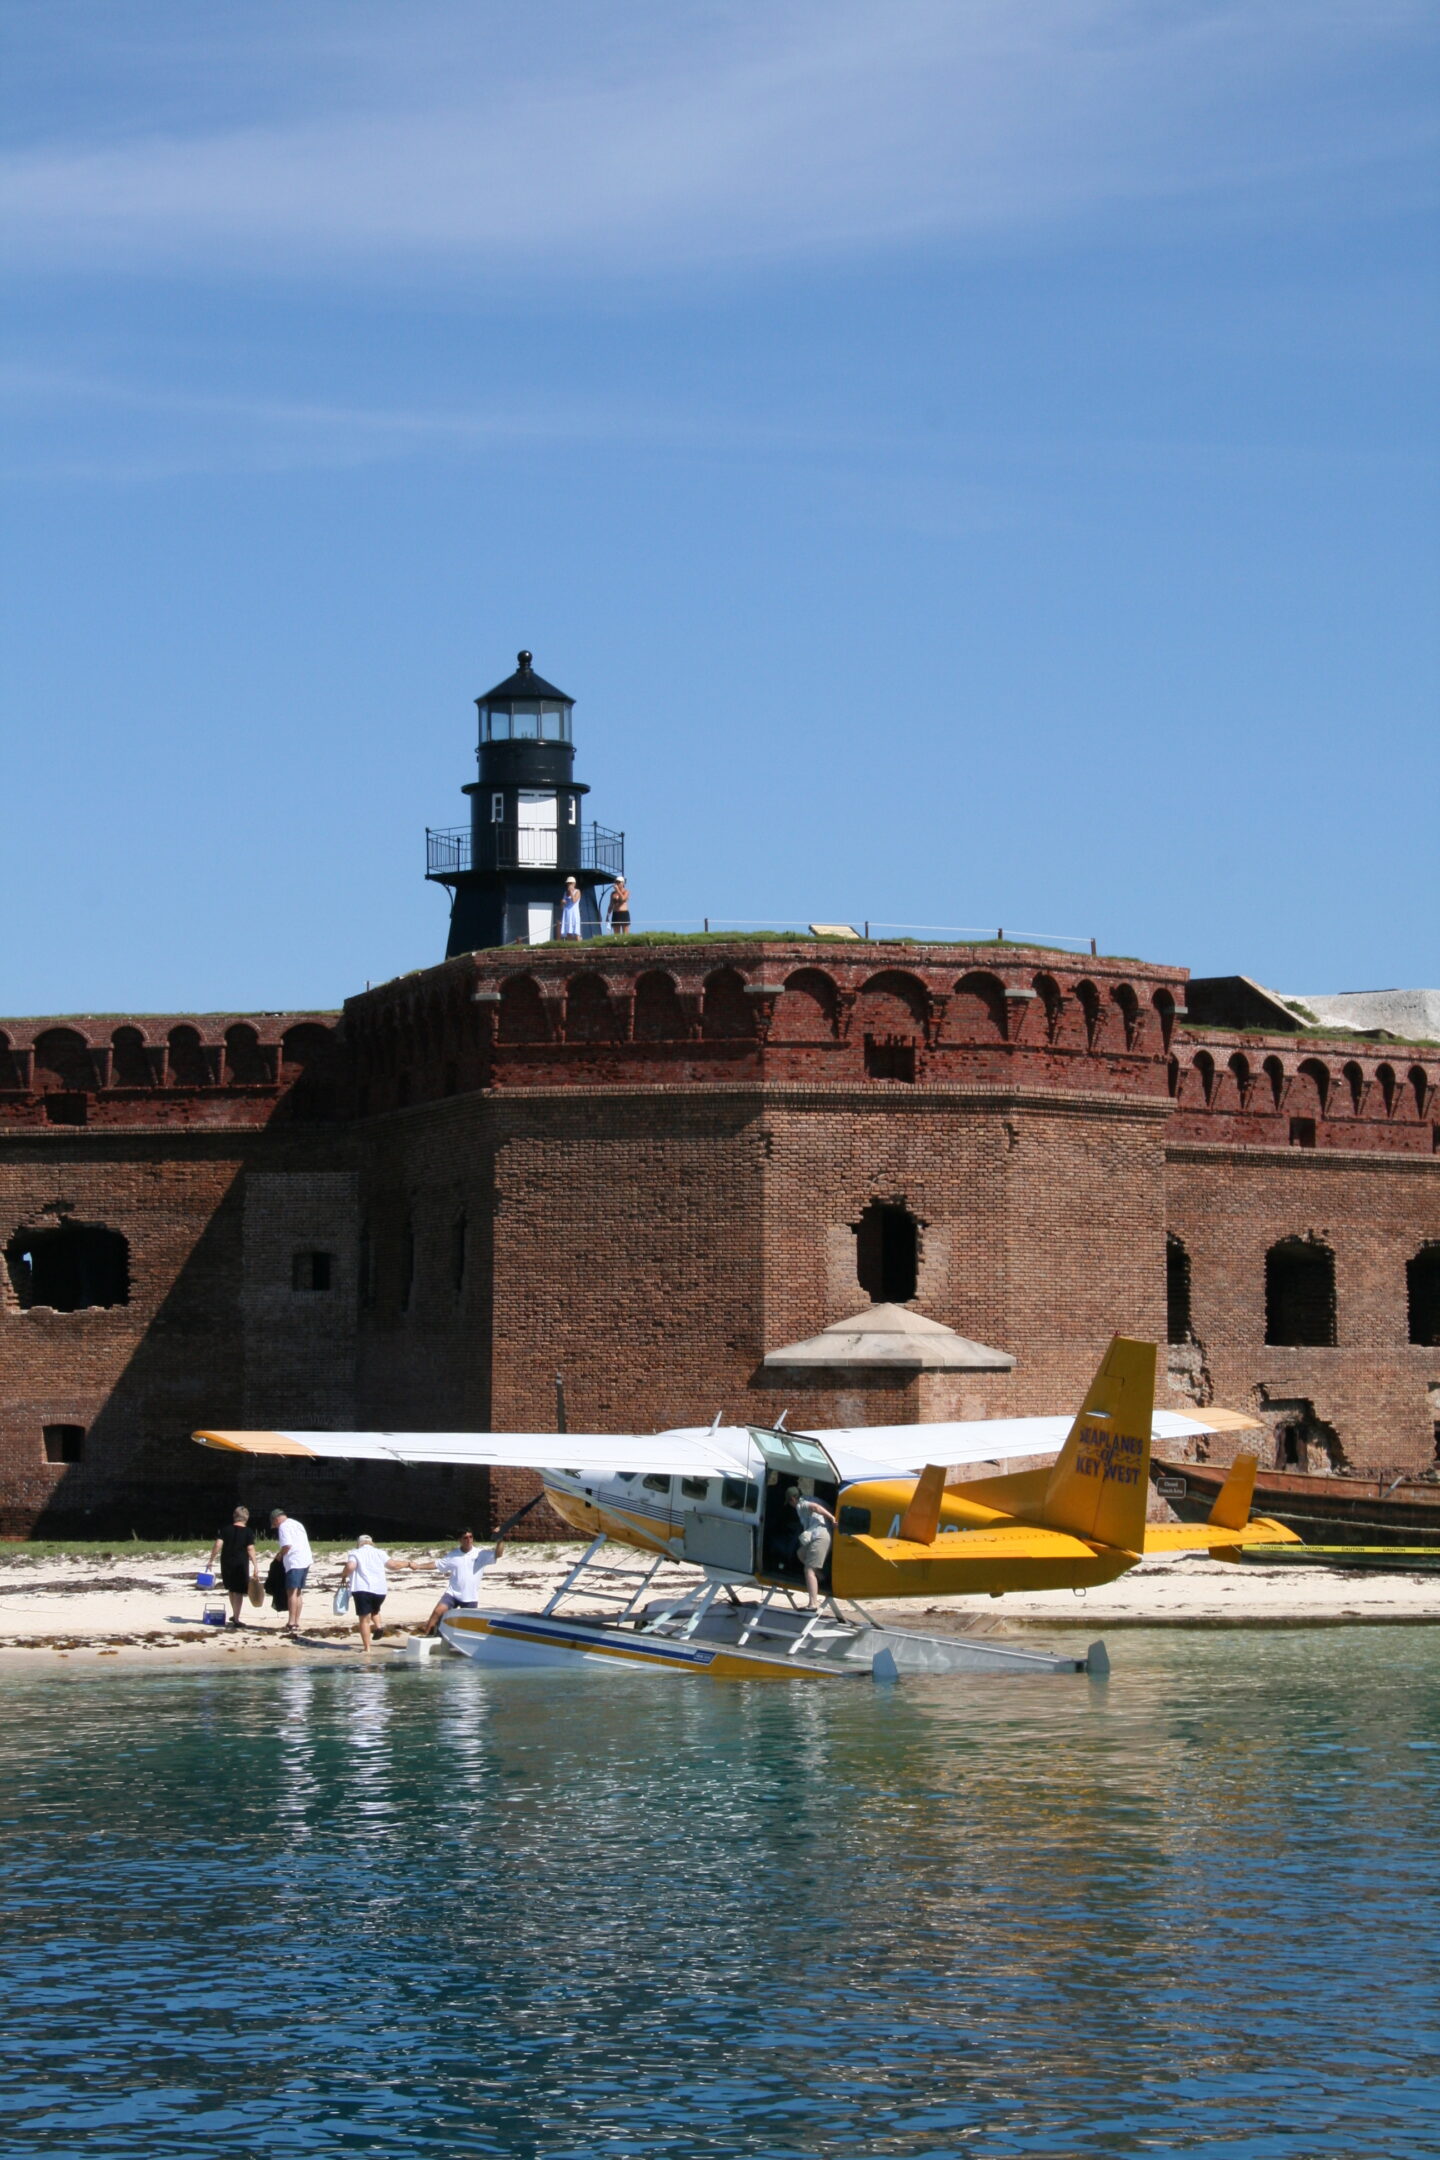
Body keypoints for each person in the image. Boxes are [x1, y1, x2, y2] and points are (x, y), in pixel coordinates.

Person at [422, 1527, 506, 1636]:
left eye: (471, 1537)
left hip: (470, 1597)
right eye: (465, 1538)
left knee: (469, 1627)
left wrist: (500, 1538)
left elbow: (498, 1554)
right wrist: (418, 1566)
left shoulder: (480, 1554)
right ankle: (426, 1636)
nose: (469, 1540)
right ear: (460, 1540)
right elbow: (437, 1564)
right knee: (438, 1611)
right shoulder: (453, 1555)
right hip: (453, 1594)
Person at [342, 1534, 395, 1653]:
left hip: (362, 1589)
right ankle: (379, 1627)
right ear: (371, 1542)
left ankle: (367, 1648)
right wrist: (407, 1564)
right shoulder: (380, 1552)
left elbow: (351, 1566)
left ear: (359, 1543)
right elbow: (392, 1565)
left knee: (364, 1619)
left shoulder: (355, 1553)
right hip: (380, 1590)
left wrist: (344, 1574)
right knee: (375, 1610)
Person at [206, 1505, 257, 1629]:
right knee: (238, 1590)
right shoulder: (248, 1532)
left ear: (234, 1516)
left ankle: (235, 1615)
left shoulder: (225, 1529)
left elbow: (218, 1544)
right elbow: (250, 1549)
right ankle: (237, 1618)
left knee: (231, 1588)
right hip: (241, 1563)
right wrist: (255, 1565)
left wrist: (211, 1560)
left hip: (227, 1562)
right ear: (246, 1518)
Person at [789, 1485, 838, 1609]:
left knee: (809, 1570)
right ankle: (820, 1577)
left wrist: (832, 1518)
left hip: (820, 1537)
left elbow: (815, 1508)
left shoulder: (803, 1504)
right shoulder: (812, 1498)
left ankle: (813, 1604)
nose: (791, 1505)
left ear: (794, 1499)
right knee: (801, 1553)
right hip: (821, 1535)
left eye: (790, 1501)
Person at [270, 1507, 313, 1637]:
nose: (276, 1527)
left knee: (292, 1592)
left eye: (274, 1524)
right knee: (298, 1592)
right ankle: (296, 1621)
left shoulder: (283, 1527)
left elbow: (287, 1546)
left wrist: (280, 1555)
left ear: (276, 1520)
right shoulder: (297, 1523)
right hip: (306, 1560)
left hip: (295, 1562)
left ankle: (291, 1622)